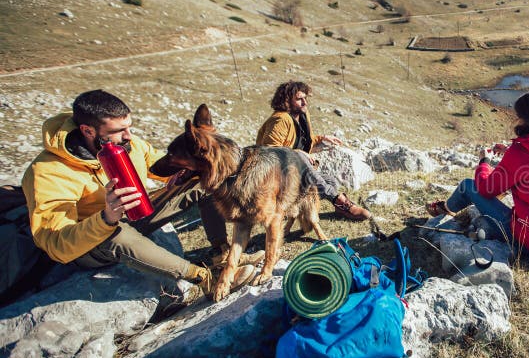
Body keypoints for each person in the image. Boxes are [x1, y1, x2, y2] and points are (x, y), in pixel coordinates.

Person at [21, 90, 256, 305]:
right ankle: (204, 278)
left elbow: (159, 166)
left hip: (135, 213)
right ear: (88, 131)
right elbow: (54, 243)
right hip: (94, 240)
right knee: (117, 235)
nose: (129, 136)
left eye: (129, 127)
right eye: (118, 131)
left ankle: (222, 254)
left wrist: (200, 164)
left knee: (202, 184)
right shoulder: (47, 171)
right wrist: (105, 218)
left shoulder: (129, 144)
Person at [426, 89, 529, 258]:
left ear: (528, 119)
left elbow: (486, 189)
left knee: (469, 186)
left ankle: (443, 209)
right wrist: (509, 151)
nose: (516, 119)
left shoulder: (521, 152)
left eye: (519, 115)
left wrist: (485, 162)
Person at [256, 81, 371, 221]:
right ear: (286, 101)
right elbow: (269, 151)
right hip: (277, 177)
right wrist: (298, 153)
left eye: (305, 98)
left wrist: (322, 138)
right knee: (301, 159)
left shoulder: (302, 115)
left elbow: (302, 140)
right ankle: (341, 202)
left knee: (330, 181)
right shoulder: (280, 119)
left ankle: (297, 207)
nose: (305, 102)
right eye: (299, 99)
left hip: (293, 173)